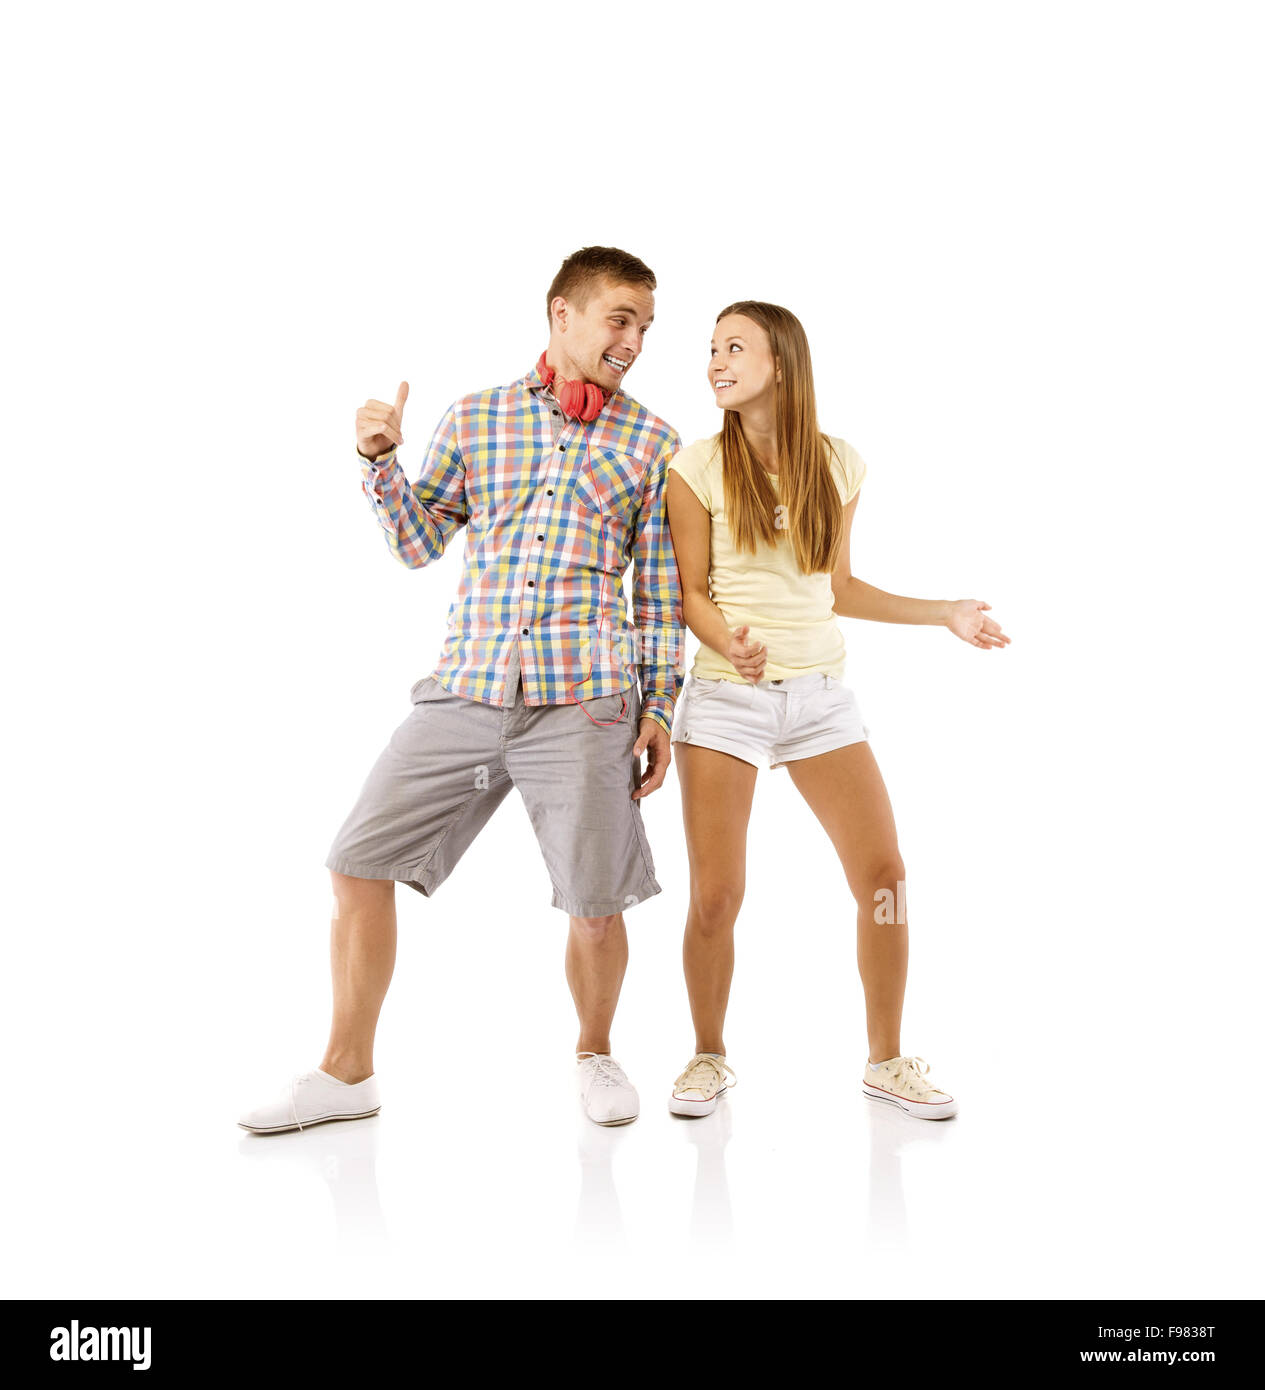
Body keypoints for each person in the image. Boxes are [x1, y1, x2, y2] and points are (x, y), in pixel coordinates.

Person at [238, 247, 684, 1134]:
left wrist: (658, 707)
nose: (632, 339)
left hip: (585, 703)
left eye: (644, 326)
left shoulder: (654, 442)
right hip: (466, 694)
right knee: (357, 861)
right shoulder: (477, 419)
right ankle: (348, 1073)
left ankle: (594, 1053)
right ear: (561, 314)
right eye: (618, 318)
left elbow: (660, 596)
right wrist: (377, 460)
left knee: (595, 904)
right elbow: (417, 543)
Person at [663, 300, 1010, 1121]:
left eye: (734, 346)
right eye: (711, 348)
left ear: (780, 361)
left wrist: (945, 612)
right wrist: (731, 641)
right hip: (725, 699)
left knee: (883, 877)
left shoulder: (839, 463)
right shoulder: (695, 466)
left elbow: (838, 585)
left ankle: (885, 1060)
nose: (715, 360)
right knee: (717, 895)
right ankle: (707, 1055)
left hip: (820, 701)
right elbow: (689, 593)